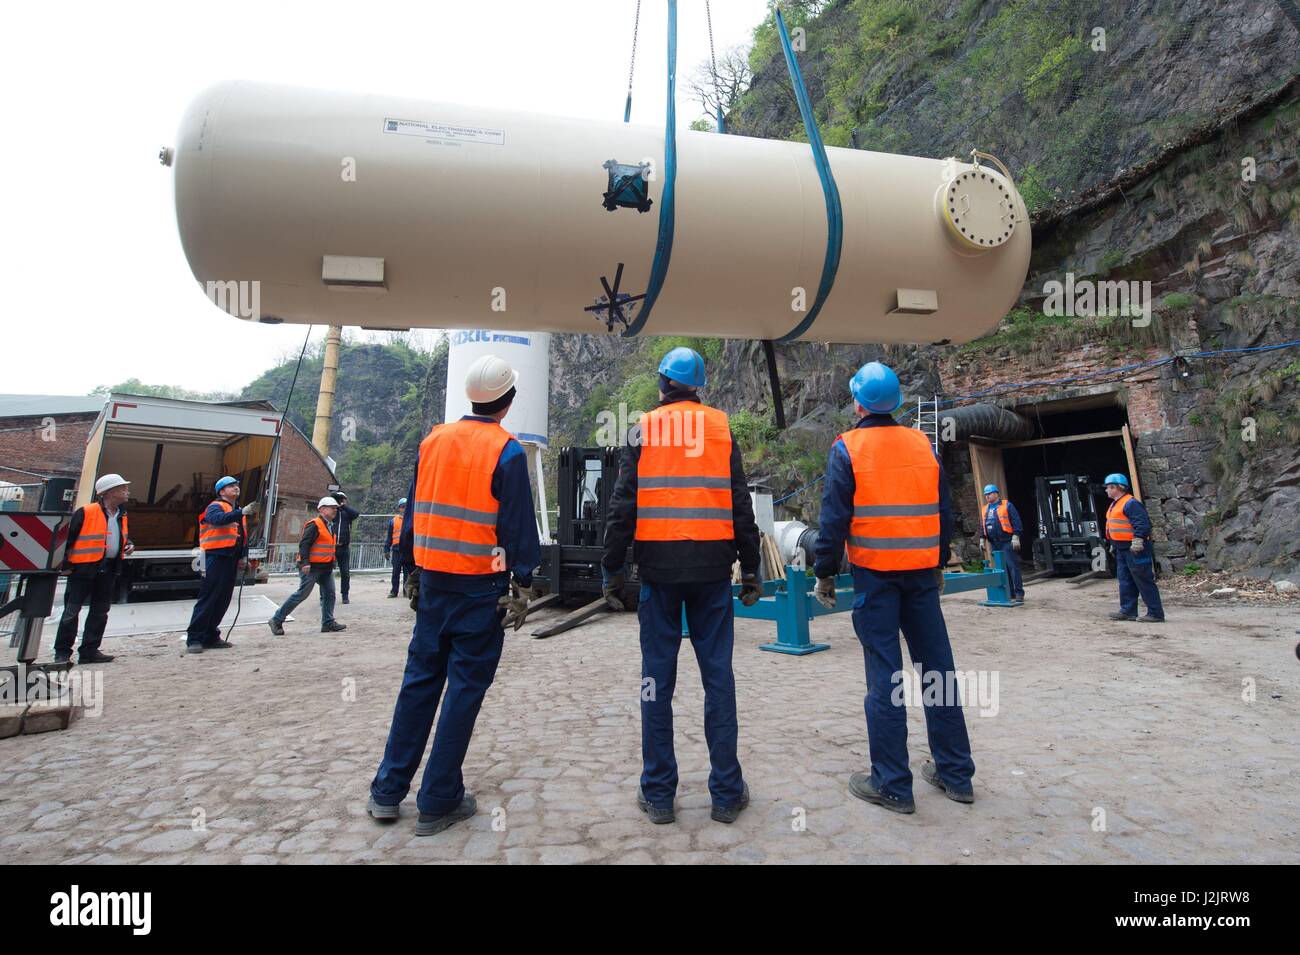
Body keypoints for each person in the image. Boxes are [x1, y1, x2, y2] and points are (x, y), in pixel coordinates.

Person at [367, 354, 540, 836]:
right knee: (463, 690)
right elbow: (518, 528)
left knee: (419, 683)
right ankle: (439, 798)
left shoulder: (433, 441)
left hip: (434, 586)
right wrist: (522, 581)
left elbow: (416, 510)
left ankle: (387, 791)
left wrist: (410, 571)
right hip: (480, 591)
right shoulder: (506, 451)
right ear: (507, 401)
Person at [601, 346, 763, 826]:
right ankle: (727, 794)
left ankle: (658, 795)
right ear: (699, 386)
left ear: (661, 384)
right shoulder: (719, 427)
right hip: (713, 573)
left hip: (659, 574)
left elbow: (622, 505)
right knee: (719, 680)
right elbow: (740, 504)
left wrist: (611, 569)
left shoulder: (641, 429)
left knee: (656, 681)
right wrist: (751, 568)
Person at [812, 361, 975, 815]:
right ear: (898, 403)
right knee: (938, 670)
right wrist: (941, 560)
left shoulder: (848, 448)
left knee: (885, 675)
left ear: (859, 403)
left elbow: (833, 519)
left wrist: (825, 571)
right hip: (922, 576)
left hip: (875, 579)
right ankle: (956, 775)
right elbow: (943, 511)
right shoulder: (924, 445)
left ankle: (892, 785)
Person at [53, 473, 135, 664]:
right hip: (83, 569)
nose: (127, 492)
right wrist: (65, 565)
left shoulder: (121, 515)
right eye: (123, 489)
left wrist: (128, 544)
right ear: (111, 492)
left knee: (100, 611)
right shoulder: (86, 512)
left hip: (108, 569)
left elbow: (116, 537)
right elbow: (66, 540)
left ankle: (90, 651)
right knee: (72, 611)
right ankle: (62, 653)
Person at [185, 475, 256, 653]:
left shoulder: (237, 510)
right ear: (221, 491)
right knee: (208, 598)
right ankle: (194, 639)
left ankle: (210, 636)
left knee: (222, 600)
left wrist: (243, 557)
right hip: (213, 557)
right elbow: (218, 519)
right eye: (231, 486)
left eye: (237, 486)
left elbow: (241, 537)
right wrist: (242, 512)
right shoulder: (215, 506)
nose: (236, 488)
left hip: (229, 558)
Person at [267, 498, 348, 634]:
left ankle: (328, 623)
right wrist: (305, 562)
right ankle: (276, 619)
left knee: (329, 594)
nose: (335, 510)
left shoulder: (330, 525)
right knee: (302, 594)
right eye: (331, 507)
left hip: (325, 567)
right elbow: (304, 544)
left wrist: (332, 561)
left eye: (336, 508)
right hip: (312, 567)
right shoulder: (315, 524)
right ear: (321, 509)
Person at [1102, 473, 1165, 623]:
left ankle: (1155, 613)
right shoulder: (1116, 504)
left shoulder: (1131, 503)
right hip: (1122, 549)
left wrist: (1138, 540)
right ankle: (1128, 611)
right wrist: (1114, 543)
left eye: (1108, 487)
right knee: (1125, 580)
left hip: (1135, 549)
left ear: (1117, 487)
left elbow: (1142, 524)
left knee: (1143, 580)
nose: (1106, 490)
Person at [980, 484, 1025, 603]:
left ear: (996, 494)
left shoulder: (1007, 506)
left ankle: (1019, 593)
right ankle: (1009, 593)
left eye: (989, 494)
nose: (987, 496)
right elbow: (983, 525)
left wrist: (1016, 536)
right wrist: (982, 539)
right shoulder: (985, 509)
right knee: (1001, 569)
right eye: (985, 495)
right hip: (994, 543)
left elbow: (1016, 521)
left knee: (1012, 567)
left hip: (1007, 542)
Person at [333, 491, 360, 604]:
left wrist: (343, 506)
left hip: (343, 547)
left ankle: (345, 595)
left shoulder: (347, 513)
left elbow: (356, 514)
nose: (341, 501)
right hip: (331, 547)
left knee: (345, 573)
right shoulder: (332, 512)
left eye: (343, 499)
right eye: (339, 499)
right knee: (325, 573)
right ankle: (324, 596)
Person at [384, 497, 409, 599]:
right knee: (396, 572)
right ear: (399, 508)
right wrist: (386, 549)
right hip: (396, 550)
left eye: (405, 506)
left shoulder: (412, 520)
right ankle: (394, 591)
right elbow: (389, 537)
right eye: (402, 507)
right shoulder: (393, 521)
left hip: (407, 550)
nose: (404, 508)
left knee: (408, 572)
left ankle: (406, 591)